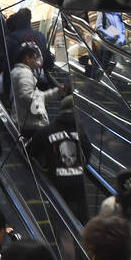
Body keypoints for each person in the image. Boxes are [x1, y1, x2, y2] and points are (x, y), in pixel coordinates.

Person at [29, 95, 91, 224]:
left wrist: (44, 168)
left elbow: (28, 151)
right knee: (83, 222)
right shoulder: (81, 132)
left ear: (60, 110)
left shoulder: (47, 131)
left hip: (57, 184)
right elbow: (88, 152)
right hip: (80, 183)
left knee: (62, 224)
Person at [11, 42, 67, 134]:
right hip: (31, 125)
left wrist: (57, 92)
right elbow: (26, 96)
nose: (35, 60)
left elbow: (38, 96)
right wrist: (39, 112)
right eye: (34, 58)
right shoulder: (24, 72)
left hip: (28, 123)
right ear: (27, 59)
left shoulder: (20, 72)